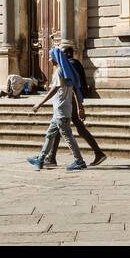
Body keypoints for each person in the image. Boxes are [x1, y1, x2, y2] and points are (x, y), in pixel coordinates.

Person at [43, 40, 106, 168]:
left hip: (69, 101)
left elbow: (75, 87)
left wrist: (79, 106)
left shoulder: (70, 65)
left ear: (66, 54)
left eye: (60, 53)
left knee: (62, 127)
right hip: (69, 101)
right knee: (64, 127)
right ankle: (52, 157)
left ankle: (55, 157)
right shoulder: (73, 64)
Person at [28, 39, 87, 171]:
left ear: (55, 58)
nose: (49, 60)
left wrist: (39, 103)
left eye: (50, 57)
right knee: (49, 135)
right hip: (61, 111)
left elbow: (54, 89)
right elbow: (75, 91)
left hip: (61, 111)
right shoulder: (67, 72)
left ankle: (79, 161)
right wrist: (80, 108)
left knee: (68, 136)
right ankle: (41, 159)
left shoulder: (59, 72)